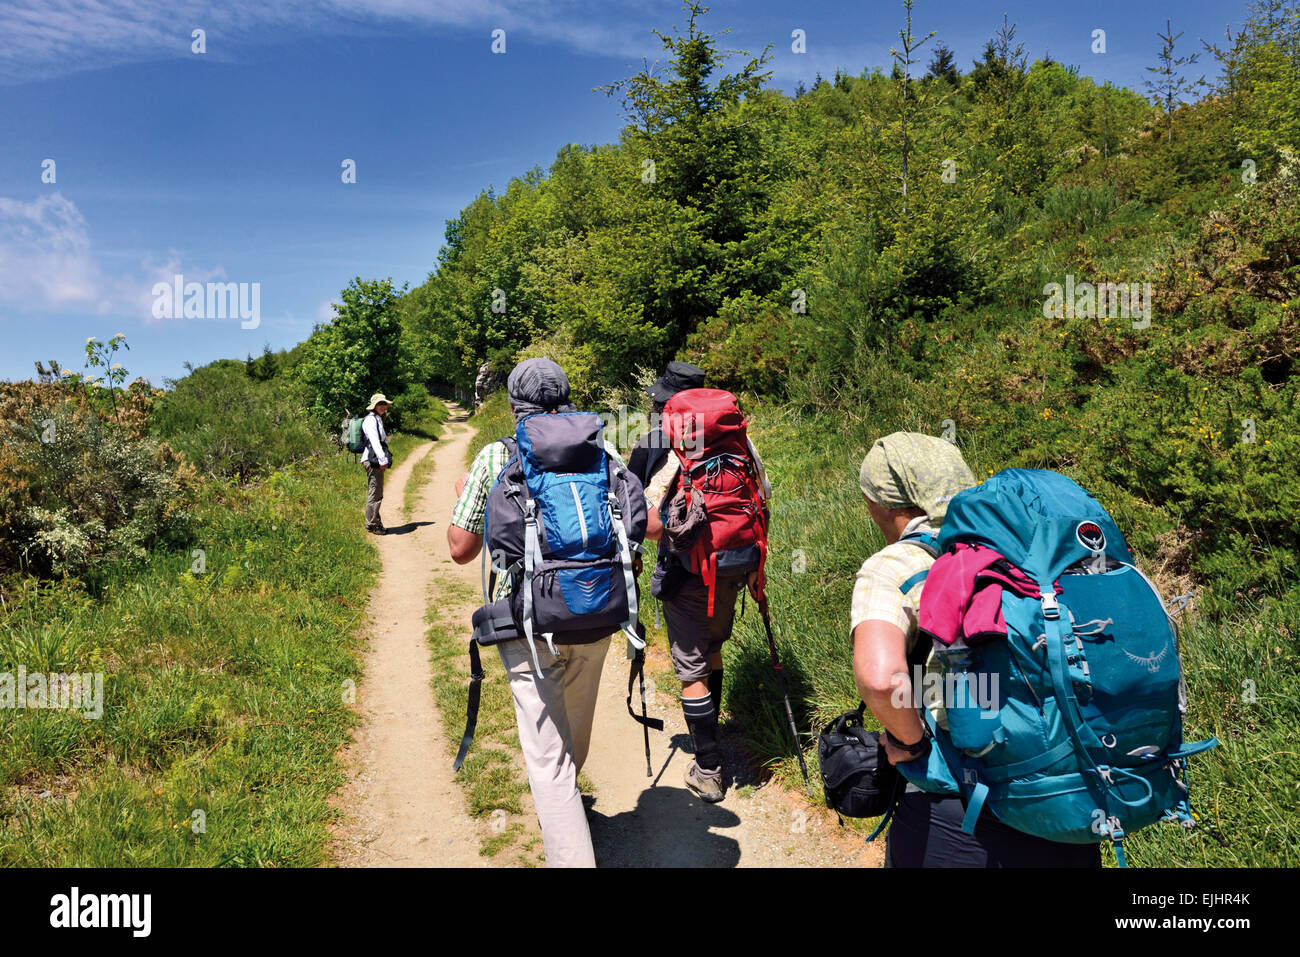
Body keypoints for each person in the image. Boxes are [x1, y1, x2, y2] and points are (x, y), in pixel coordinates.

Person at [849, 432, 1101, 867]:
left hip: (957, 806)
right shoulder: (1031, 547)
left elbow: (881, 677)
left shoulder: (895, 565)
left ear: (887, 505)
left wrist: (910, 744)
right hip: (1071, 797)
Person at [446, 358, 632, 868]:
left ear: (513, 406)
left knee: (548, 759)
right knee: (575, 729)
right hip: (596, 611)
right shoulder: (603, 448)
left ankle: (569, 845)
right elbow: (640, 523)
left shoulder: (493, 457)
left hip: (527, 621)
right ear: (569, 398)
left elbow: (460, 549)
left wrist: (469, 500)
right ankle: (571, 813)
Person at [640, 365, 770, 804]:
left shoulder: (678, 450)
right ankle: (714, 728)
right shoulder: (739, 443)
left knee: (690, 665)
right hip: (736, 563)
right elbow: (764, 493)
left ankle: (709, 768)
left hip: (690, 570)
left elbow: (652, 523)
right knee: (712, 648)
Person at [360, 393, 392, 535]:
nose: (383, 406)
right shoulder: (371, 420)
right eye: (380, 404)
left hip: (375, 460)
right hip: (373, 461)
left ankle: (375, 522)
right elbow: (374, 441)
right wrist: (383, 460)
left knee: (377, 492)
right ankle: (372, 524)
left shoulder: (377, 419)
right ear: (374, 406)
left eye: (384, 404)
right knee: (375, 493)